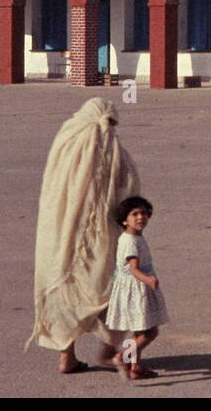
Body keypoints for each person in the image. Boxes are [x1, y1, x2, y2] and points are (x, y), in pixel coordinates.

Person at [26, 98, 140, 375]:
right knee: (110, 287)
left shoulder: (67, 138)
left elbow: (50, 185)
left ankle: (67, 355)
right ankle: (109, 350)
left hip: (60, 233)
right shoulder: (115, 150)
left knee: (65, 288)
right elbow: (129, 192)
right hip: (103, 237)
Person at [105, 196, 169, 380]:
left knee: (139, 329)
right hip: (136, 290)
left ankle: (136, 366)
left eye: (143, 213)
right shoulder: (131, 241)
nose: (141, 217)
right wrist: (149, 280)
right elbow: (134, 269)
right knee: (150, 332)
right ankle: (122, 357)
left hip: (131, 288)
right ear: (124, 220)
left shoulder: (131, 237)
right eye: (135, 214)